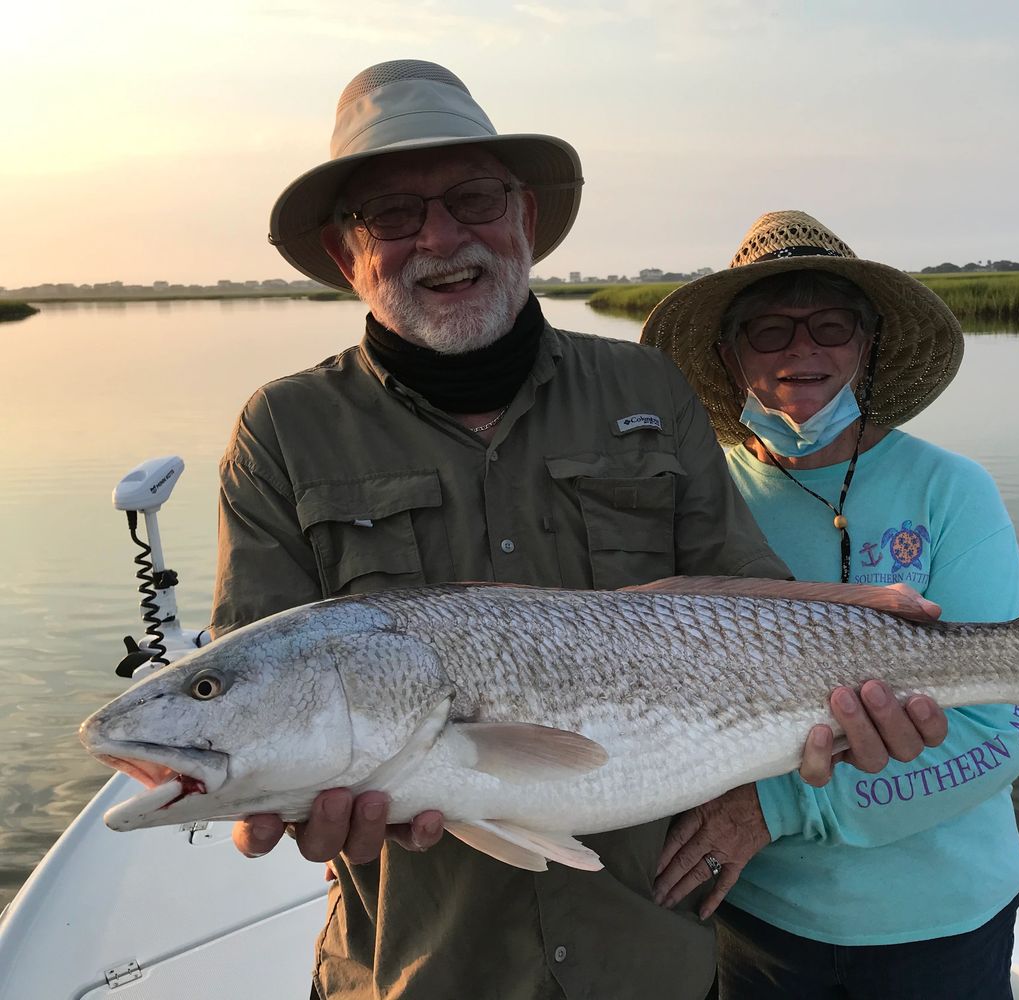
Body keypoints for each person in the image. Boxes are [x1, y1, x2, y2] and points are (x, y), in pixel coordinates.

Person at [214, 64, 944, 1000]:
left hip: (648, 952)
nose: (441, 236)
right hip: (415, 965)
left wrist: (818, 743)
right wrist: (268, 805)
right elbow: (255, 686)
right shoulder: (284, 428)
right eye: (392, 212)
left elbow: (744, 600)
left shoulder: (645, 391)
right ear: (343, 248)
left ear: (522, 216)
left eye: (474, 197)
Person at [641, 211, 1019, 999]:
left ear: (865, 344)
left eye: (830, 325)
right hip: (754, 916)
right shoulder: (689, 496)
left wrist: (770, 809)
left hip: (942, 916)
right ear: (727, 356)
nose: (802, 349)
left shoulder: (949, 489)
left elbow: (1009, 725)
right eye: (768, 330)